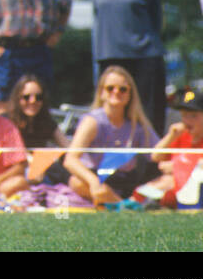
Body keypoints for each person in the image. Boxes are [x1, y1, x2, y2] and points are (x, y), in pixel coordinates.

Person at [92, 0, 165, 133]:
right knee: (113, 114)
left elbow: (156, 18)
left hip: (145, 56)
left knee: (150, 116)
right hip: (110, 57)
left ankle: (152, 153)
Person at [61, 65, 159, 206]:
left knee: (168, 180)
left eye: (123, 89)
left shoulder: (137, 124)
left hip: (127, 181)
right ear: (101, 93)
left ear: (130, 94)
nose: (116, 92)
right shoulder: (92, 121)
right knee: (75, 182)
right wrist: (93, 181)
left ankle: (118, 203)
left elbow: (158, 154)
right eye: (110, 88)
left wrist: (174, 135)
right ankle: (123, 205)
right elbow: (70, 160)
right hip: (96, 179)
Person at [145, 88, 203, 209]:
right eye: (184, 115)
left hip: (199, 195)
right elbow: (155, 157)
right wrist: (171, 136)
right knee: (160, 184)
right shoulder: (180, 136)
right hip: (174, 189)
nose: (188, 121)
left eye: (194, 116)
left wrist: (175, 166)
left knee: (167, 182)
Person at [6, 74, 69, 149]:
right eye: (26, 97)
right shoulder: (6, 122)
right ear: (17, 99)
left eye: (38, 97)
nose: (33, 101)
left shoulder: (47, 123)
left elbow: (69, 148)